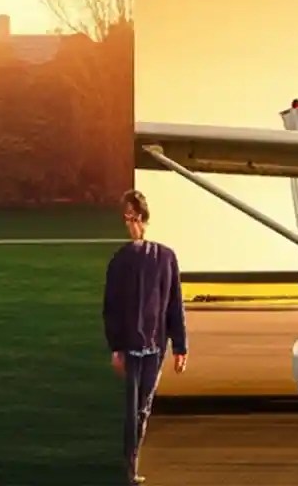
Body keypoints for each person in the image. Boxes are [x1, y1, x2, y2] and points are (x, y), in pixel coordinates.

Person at [103, 189, 188, 486]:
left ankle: (130, 464)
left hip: (154, 348)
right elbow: (111, 307)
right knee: (131, 409)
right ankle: (127, 467)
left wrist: (180, 346)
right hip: (130, 348)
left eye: (132, 214)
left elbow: (174, 303)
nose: (129, 221)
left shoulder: (166, 258)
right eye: (126, 215)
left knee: (143, 408)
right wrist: (115, 347)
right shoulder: (120, 261)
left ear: (140, 217)